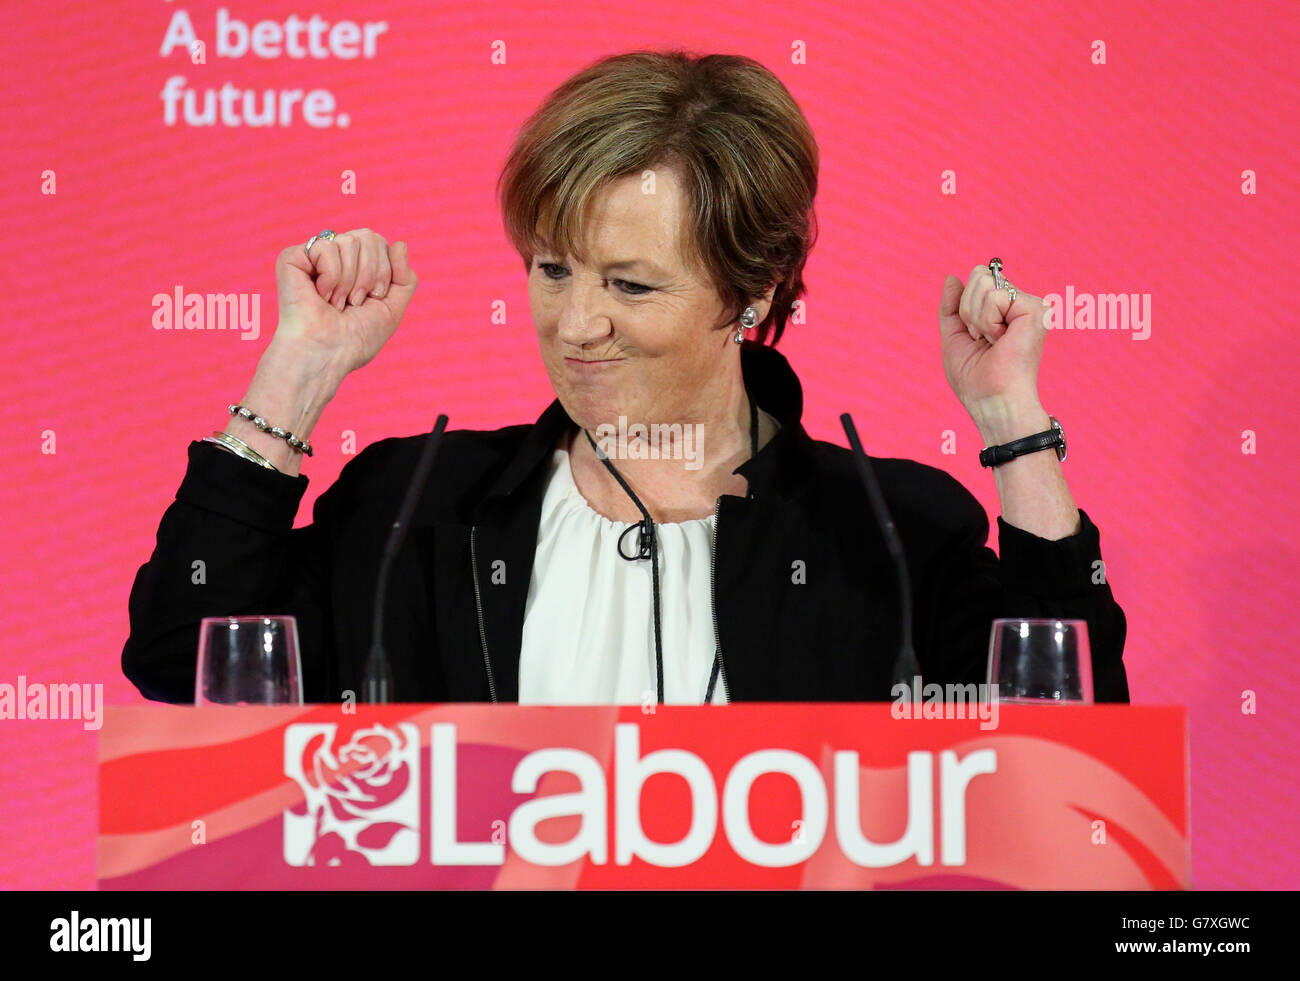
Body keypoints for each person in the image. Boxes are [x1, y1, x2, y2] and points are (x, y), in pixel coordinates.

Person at [122, 50, 1128, 706]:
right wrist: (297, 373)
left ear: (753, 289)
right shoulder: (413, 506)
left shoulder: (894, 530)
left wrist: (1012, 420)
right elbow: (180, 657)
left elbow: (1069, 743)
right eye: (551, 269)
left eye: (631, 284)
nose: (576, 323)